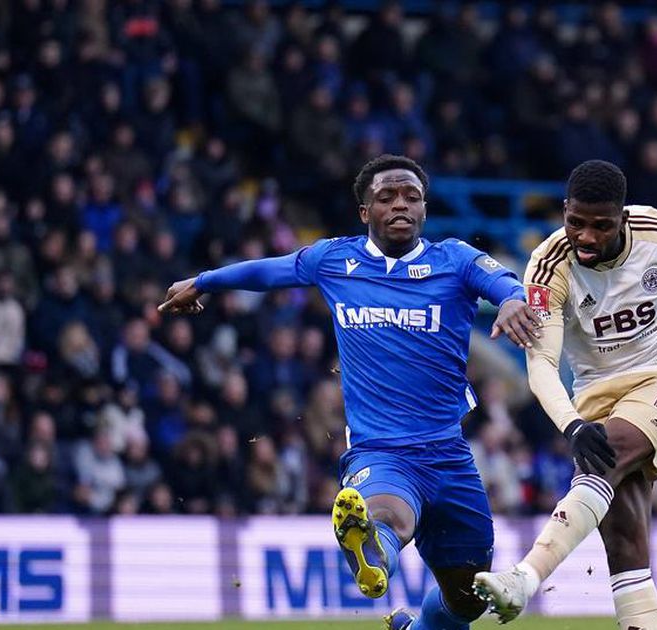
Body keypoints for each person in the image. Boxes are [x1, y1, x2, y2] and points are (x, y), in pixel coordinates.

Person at [158, 154, 539, 630]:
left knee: (467, 600)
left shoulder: (454, 259)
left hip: (449, 454)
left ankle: (410, 619)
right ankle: (372, 548)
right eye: (386, 197)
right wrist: (204, 282)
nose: (400, 205)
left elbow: (502, 280)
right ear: (365, 212)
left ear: (424, 209)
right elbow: (269, 271)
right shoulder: (336, 260)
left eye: (412, 197)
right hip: (379, 451)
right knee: (389, 518)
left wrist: (512, 301)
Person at [473, 160, 657, 629]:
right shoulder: (548, 267)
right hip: (595, 395)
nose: (586, 237)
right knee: (625, 543)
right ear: (564, 210)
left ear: (623, 218)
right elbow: (541, 364)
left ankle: (524, 578)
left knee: (607, 456)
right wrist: (572, 425)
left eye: (601, 226)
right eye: (576, 222)